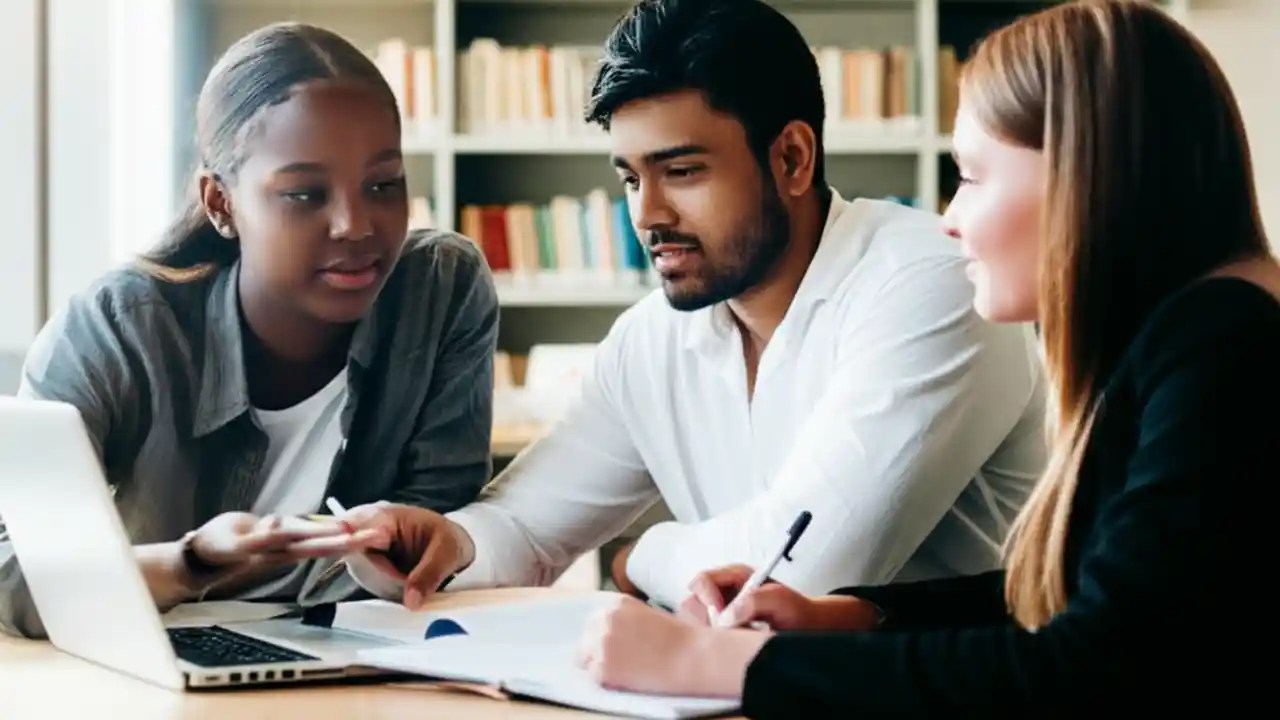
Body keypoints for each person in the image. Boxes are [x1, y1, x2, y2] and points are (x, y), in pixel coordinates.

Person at [572, 0, 1280, 714]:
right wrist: (859, 618)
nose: (950, 218)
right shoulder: (1184, 340)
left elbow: (1094, 668)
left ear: (1083, 177)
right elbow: (1081, 607)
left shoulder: (1224, 349)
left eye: (971, 177)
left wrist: (728, 663)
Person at [333, 0, 1046, 613]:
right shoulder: (651, 340)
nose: (648, 213)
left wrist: (646, 554)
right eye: (628, 177)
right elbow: (524, 525)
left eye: (681, 171)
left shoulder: (931, 278)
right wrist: (446, 543)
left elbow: (803, 573)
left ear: (793, 159)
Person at [0, 22, 499, 639]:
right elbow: (10, 564)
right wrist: (189, 564)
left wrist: (410, 552)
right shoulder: (120, 326)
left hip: (354, 667)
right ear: (220, 203)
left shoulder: (441, 290)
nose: (354, 224)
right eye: (304, 194)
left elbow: (437, 534)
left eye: (382, 184)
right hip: (148, 664)